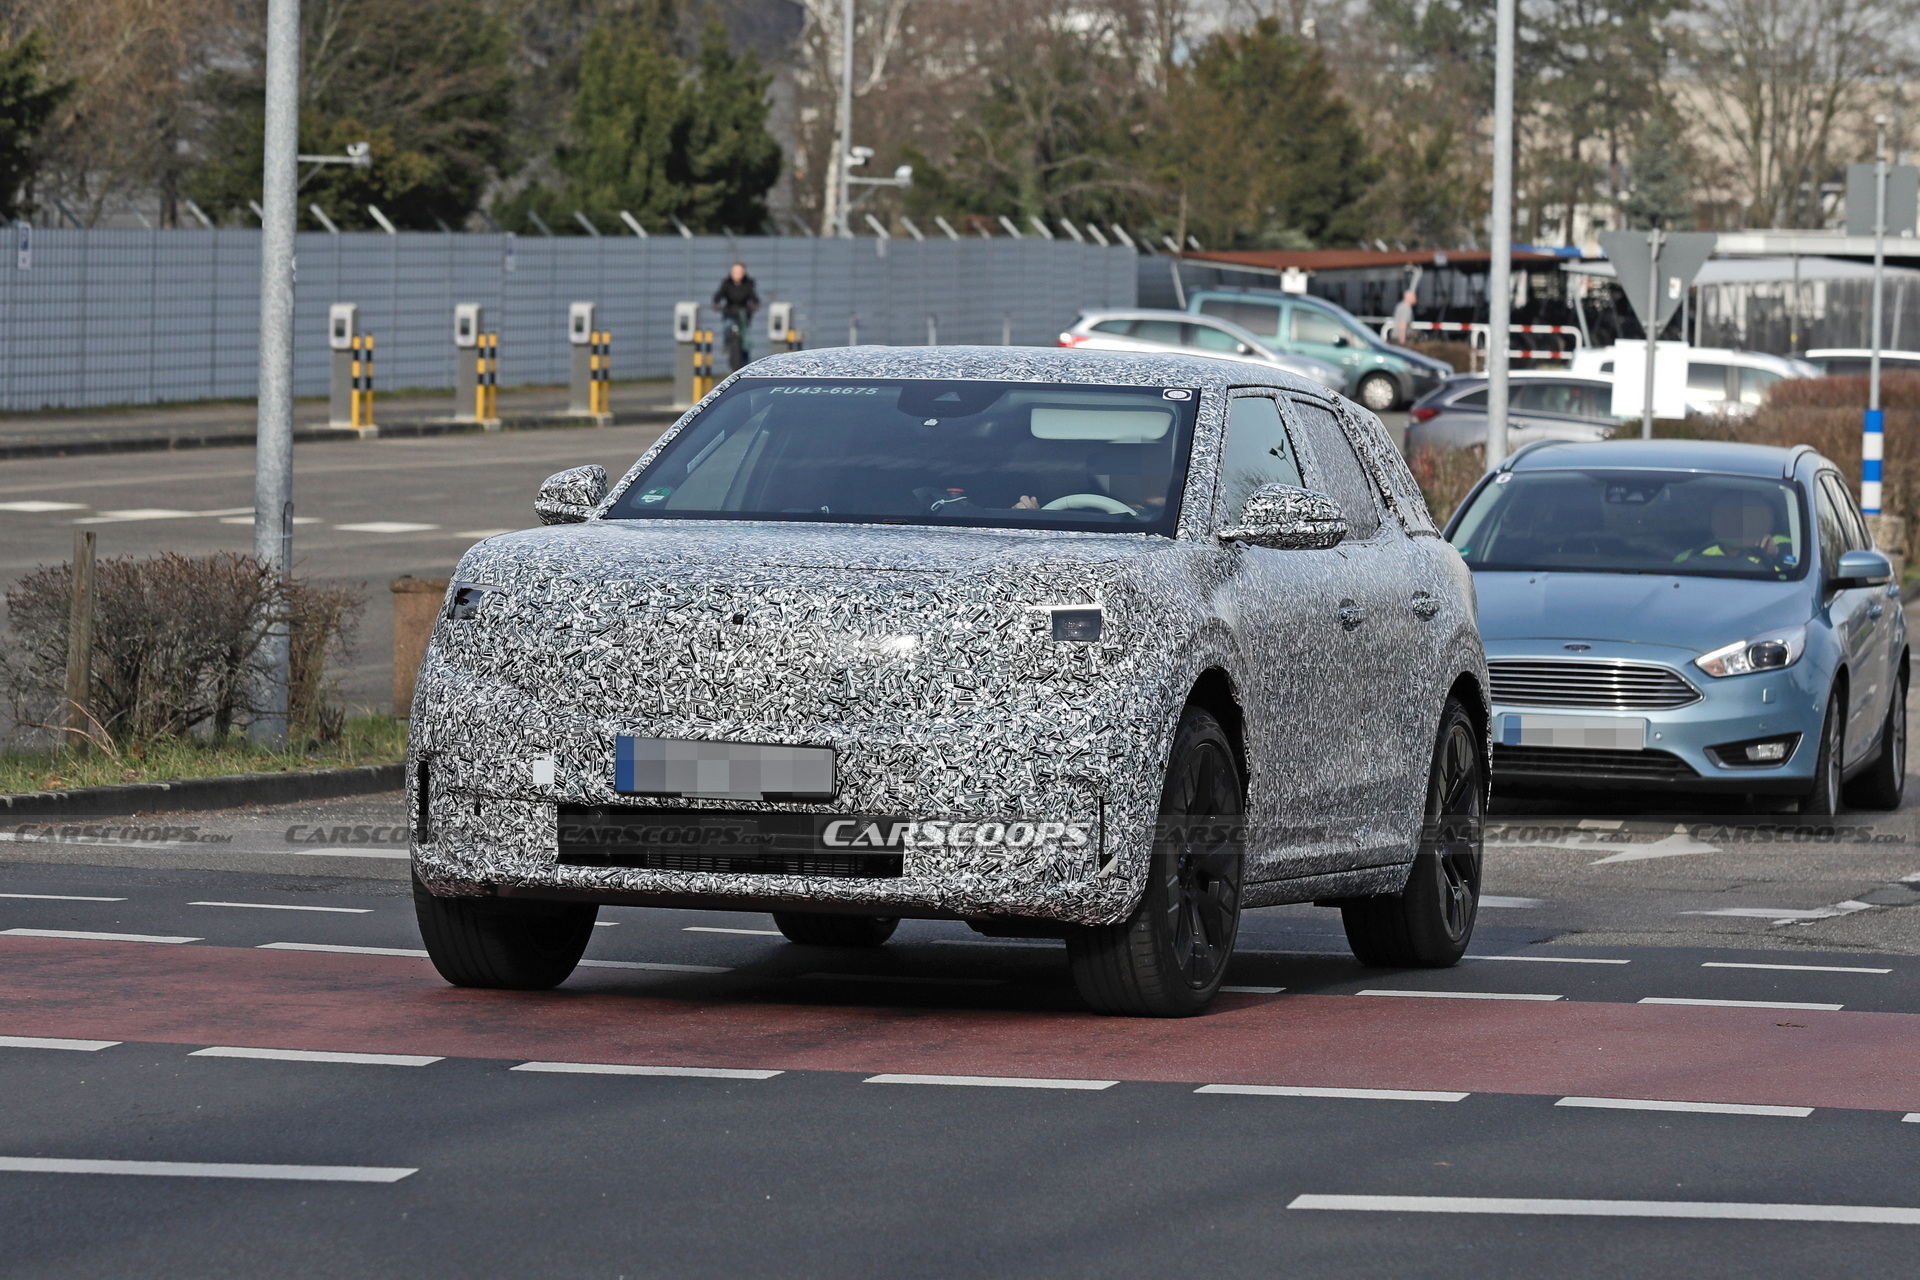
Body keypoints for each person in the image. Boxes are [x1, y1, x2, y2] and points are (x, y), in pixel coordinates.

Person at [712, 262, 760, 373]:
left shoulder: (748, 284)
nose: (737, 275)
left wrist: (754, 305)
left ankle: (745, 362)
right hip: (729, 312)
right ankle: (727, 345)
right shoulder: (726, 283)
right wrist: (716, 303)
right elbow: (718, 295)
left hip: (743, 314)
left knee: (745, 335)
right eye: (735, 272)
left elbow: (754, 297)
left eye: (739, 272)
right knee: (727, 326)